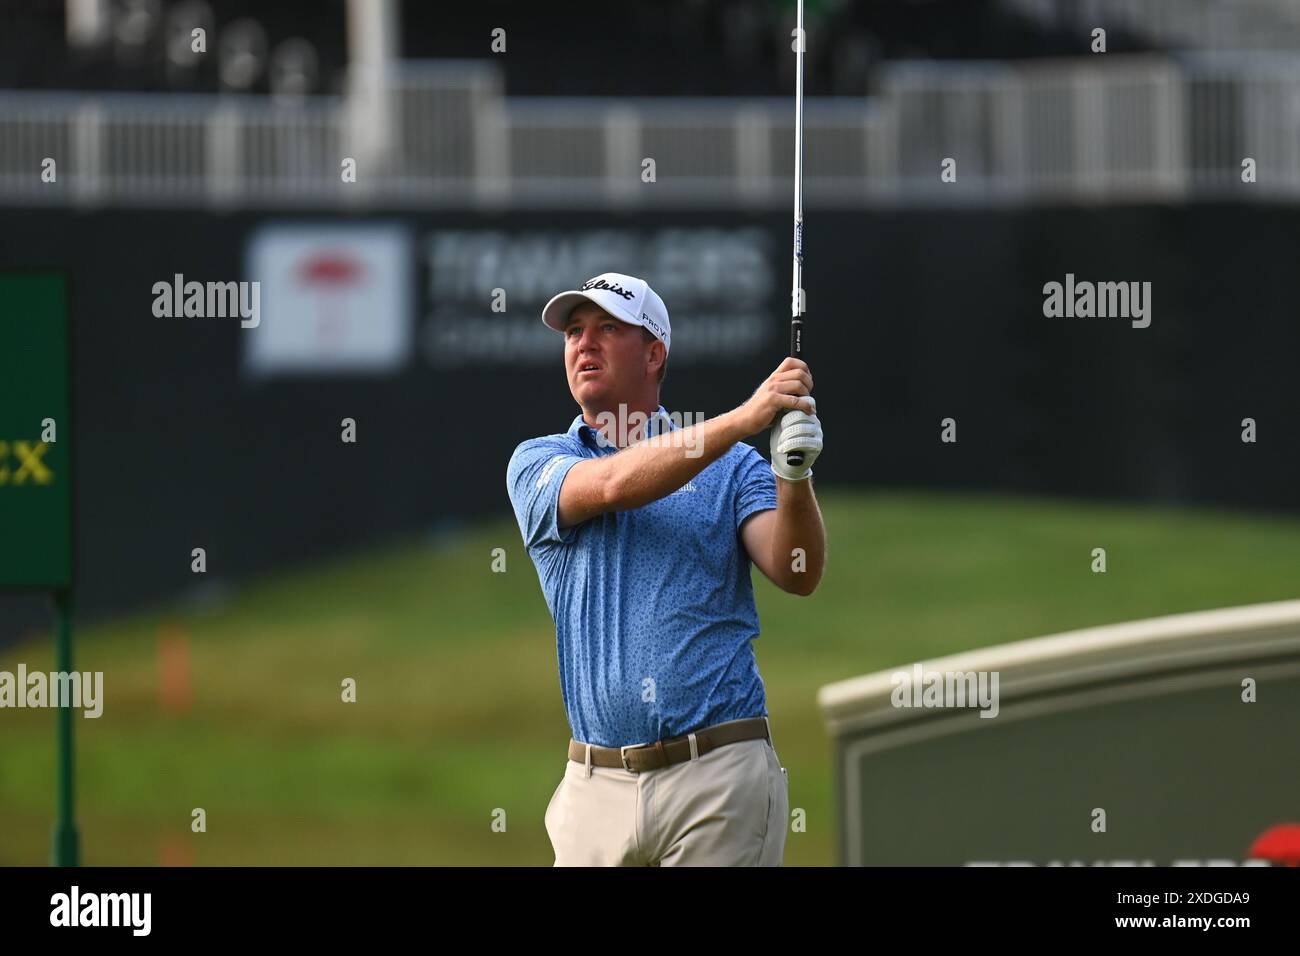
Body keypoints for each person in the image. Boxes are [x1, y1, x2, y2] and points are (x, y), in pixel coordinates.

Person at [506, 272, 826, 866]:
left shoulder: (731, 469)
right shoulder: (540, 460)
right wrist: (744, 418)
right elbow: (614, 484)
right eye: (574, 331)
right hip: (593, 785)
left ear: (654, 353)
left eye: (607, 328)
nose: (584, 343)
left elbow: (796, 570)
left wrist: (794, 474)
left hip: (718, 776)